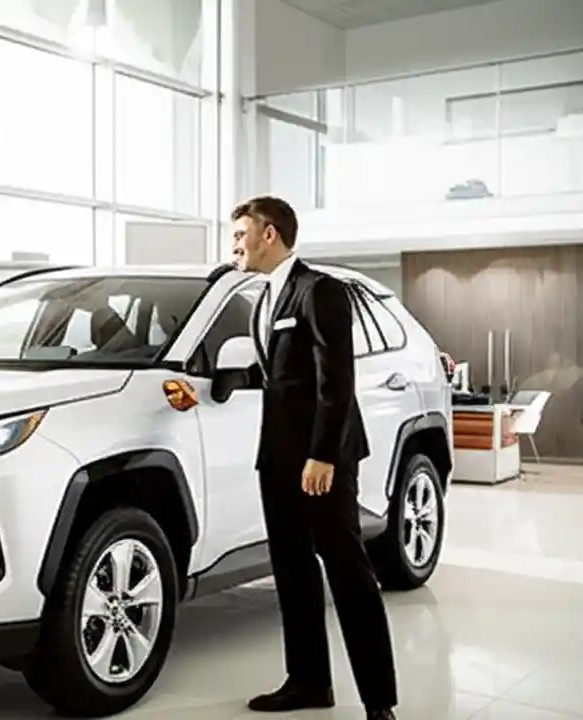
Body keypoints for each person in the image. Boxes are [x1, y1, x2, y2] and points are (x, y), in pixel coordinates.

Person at [230, 196, 397, 720]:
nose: (235, 245)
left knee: (348, 573)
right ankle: (307, 683)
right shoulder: (265, 298)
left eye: (240, 234)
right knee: (292, 572)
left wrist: (323, 455)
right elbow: (283, 376)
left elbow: (336, 379)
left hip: (320, 461)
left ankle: (378, 702)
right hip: (277, 460)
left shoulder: (319, 290)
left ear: (270, 234)